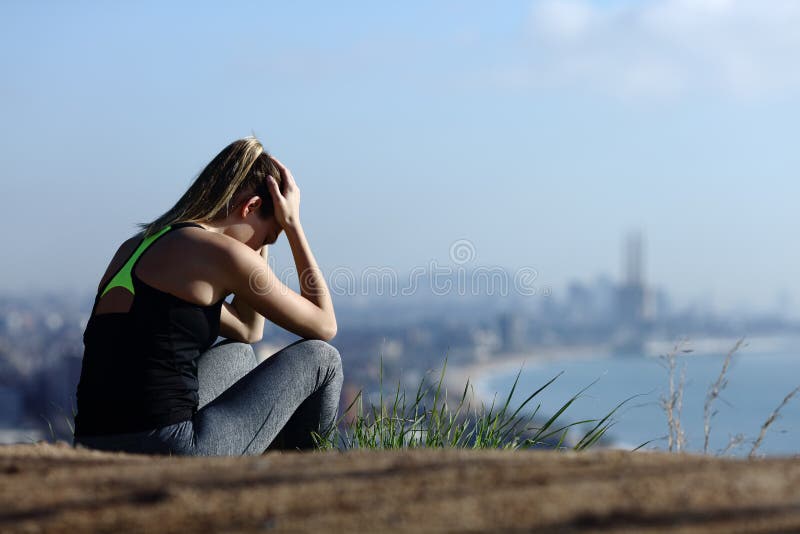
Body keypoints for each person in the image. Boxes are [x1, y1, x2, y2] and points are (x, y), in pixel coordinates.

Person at [72, 137, 342, 456]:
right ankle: (303, 486)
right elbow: (324, 325)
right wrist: (293, 225)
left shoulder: (136, 246)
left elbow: (248, 330)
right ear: (251, 206)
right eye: (269, 237)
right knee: (322, 358)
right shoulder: (221, 254)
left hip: (91, 445)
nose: (258, 250)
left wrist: (262, 236)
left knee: (239, 355)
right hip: (168, 448)